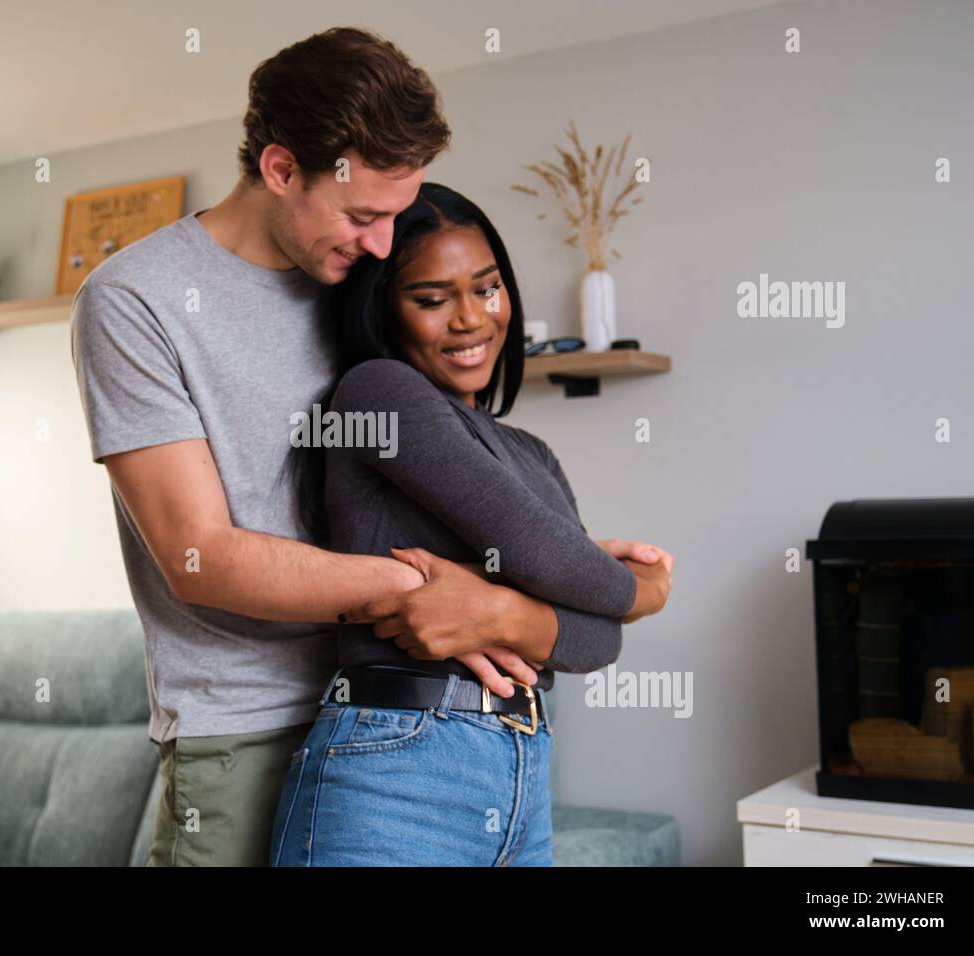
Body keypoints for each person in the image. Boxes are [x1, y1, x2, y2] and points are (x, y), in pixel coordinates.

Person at [71, 28, 634, 867]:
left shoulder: (359, 286)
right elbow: (199, 556)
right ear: (280, 169)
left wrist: (505, 600)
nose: (379, 242)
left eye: (393, 218)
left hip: (410, 714)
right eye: (364, 215)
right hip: (244, 722)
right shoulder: (136, 301)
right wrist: (431, 594)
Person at [268, 183, 674, 866]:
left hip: (521, 775)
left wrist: (494, 613)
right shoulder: (377, 394)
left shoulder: (533, 455)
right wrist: (650, 591)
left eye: (486, 289)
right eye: (431, 299)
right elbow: (547, 557)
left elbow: (596, 641)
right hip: (394, 772)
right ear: (383, 311)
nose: (470, 319)